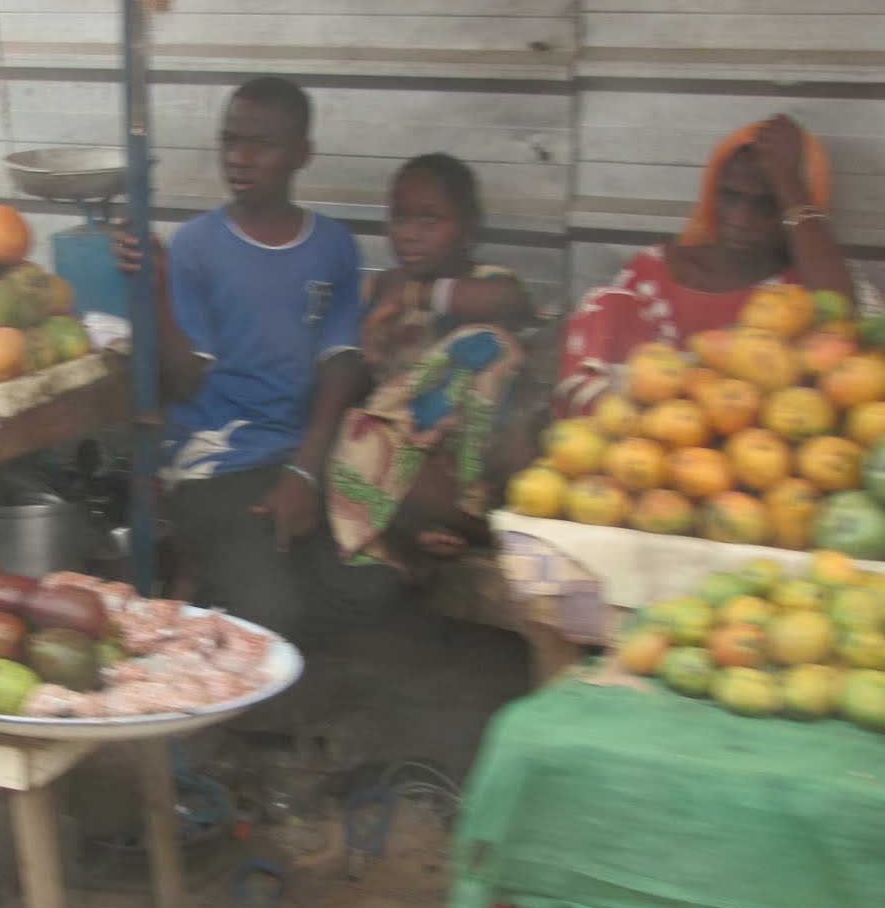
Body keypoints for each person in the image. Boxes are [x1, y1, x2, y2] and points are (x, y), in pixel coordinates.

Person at [116, 76, 377, 642]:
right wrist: (156, 290)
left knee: (371, 592)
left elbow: (340, 367)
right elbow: (185, 381)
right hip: (215, 465)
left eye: (260, 143)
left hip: (296, 456)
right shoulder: (195, 247)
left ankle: (212, 609)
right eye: (228, 141)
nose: (239, 159)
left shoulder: (332, 245)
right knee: (275, 611)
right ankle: (213, 655)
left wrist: (304, 472)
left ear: (301, 154)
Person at [558, 115, 882, 412]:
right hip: (636, 454)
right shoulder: (652, 272)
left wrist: (790, 185)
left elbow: (843, 315)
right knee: (603, 304)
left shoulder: (805, 291)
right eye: (729, 197)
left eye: (767, 204)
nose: (740, 220)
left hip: (749, 455)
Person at [322, 153, 538, 584]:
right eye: (399, 218)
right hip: (412, 457)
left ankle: (477, 529)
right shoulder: (377, 287)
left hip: (479, 454)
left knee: (488, 343)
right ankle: (439, 532)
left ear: (469, 230)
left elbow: (505, 303)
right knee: (363, 439)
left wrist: (414, 296)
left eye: (430, 220)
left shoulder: (489, 282)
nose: (410, 235)